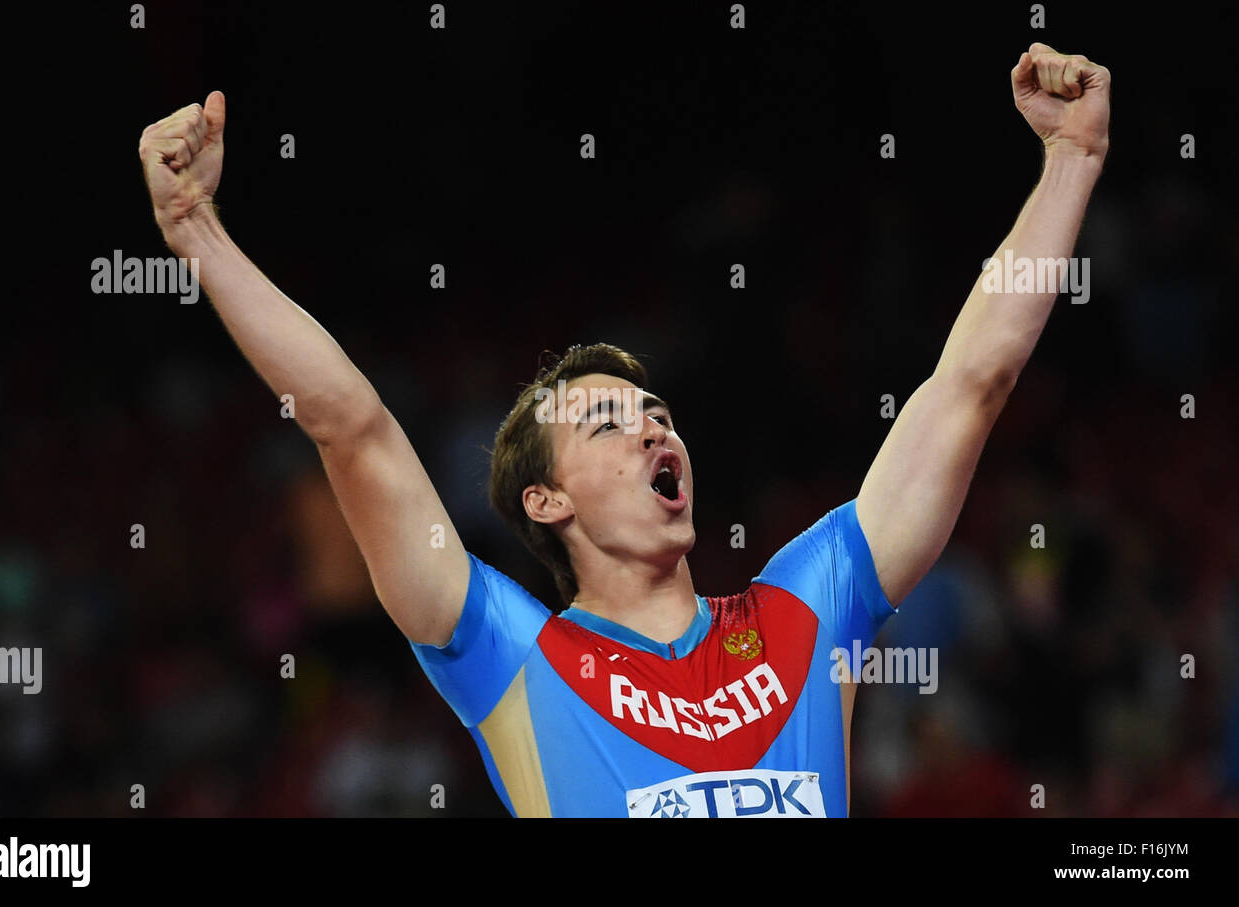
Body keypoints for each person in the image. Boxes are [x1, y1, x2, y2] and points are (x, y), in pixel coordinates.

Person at [137, 43, 1109, 817]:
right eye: (608, 423)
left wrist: (1070, 161)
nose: (653, 433)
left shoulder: (807, 612)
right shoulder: (506, 649)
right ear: (544, 498)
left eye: (658, 416)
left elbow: (971, 382)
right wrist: (197, 230)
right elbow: (351, 424)